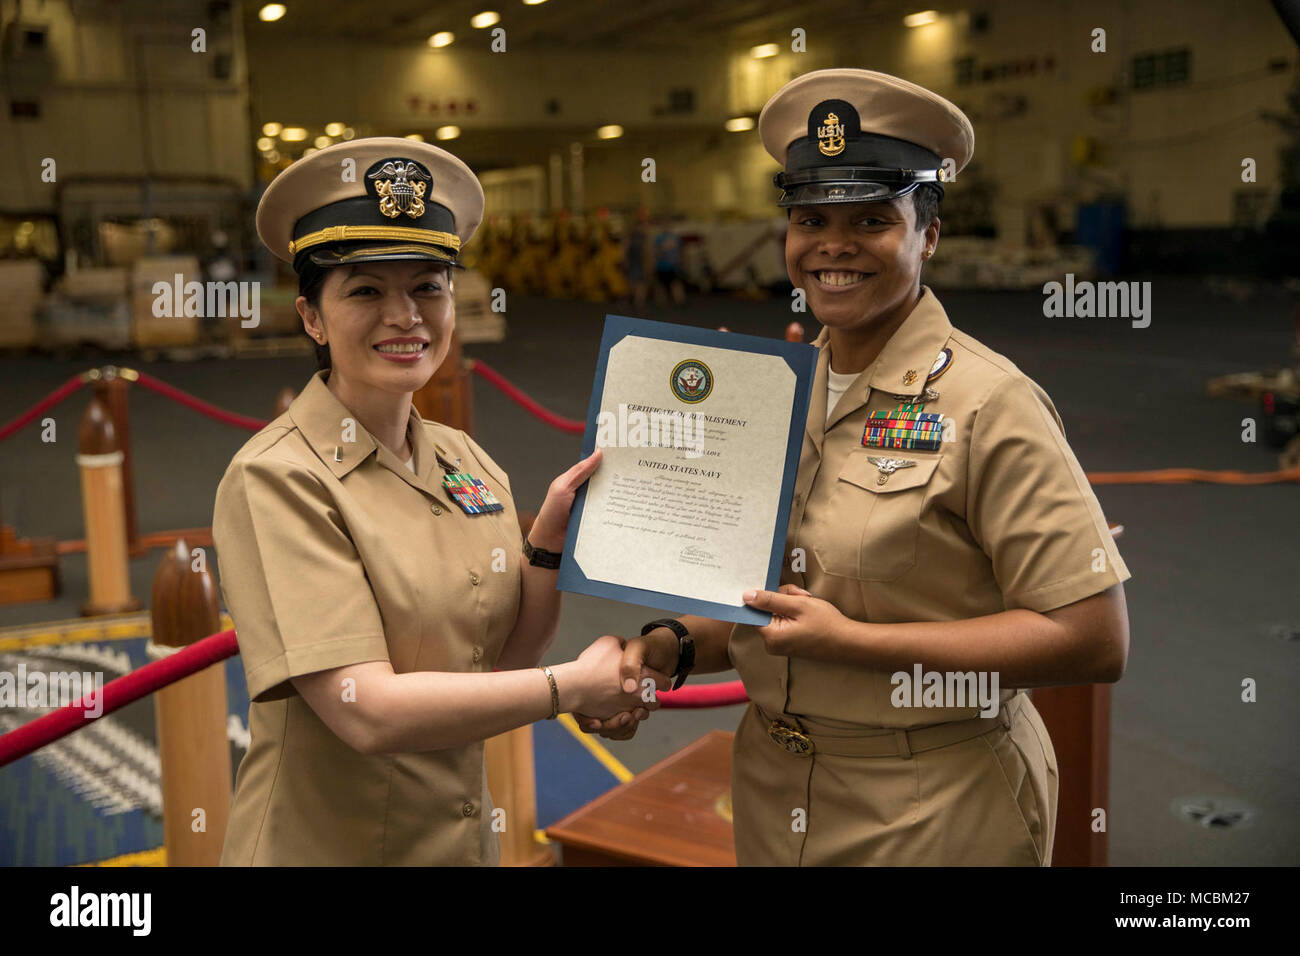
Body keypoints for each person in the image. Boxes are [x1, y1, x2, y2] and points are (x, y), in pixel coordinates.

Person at [579, 69, 1132, 866]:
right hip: (776, 788)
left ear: (928, 235)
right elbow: (762, 599)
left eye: (872, 219)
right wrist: (669, 645)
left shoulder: (989, 402)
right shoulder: (776, 388)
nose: (834, 245)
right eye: (812, 219)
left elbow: (1092, 638)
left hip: (937, 805)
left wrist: (862, 644)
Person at [213, 137, 662, 865]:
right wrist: (573, 688)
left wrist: (546, 541)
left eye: (428, 286)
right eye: (365, 291)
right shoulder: (278, 480)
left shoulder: (463, 457)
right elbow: (368, 713)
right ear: (312, 318)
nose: (405, 316)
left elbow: (508, 653)